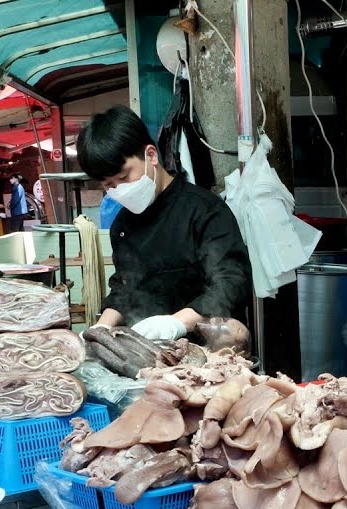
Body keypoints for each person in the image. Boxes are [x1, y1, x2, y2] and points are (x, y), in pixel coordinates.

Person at [76, 106, 251, 341]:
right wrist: (101, 328)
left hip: (210, 349)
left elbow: (231, 282)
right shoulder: (122, 226)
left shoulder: (204, 210)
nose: (118, 189)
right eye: (108, 184)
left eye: (123, 177)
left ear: (150, 155)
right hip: (145, 350)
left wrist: (176, 323)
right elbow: (124, 288)